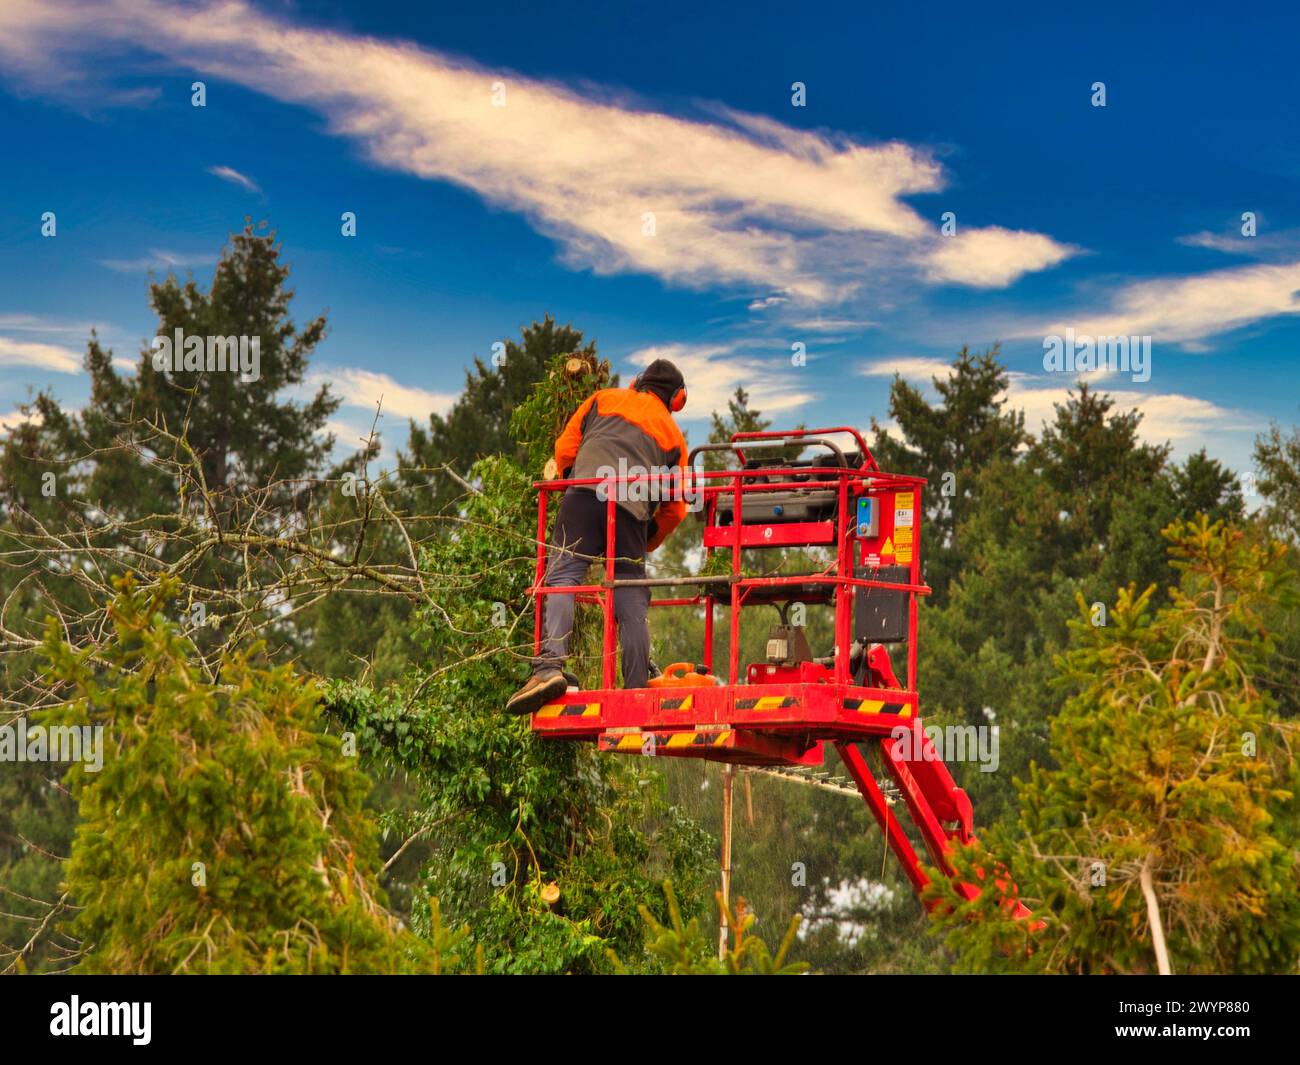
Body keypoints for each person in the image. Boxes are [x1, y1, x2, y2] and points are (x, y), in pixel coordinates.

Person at [506, 359, 689, 714]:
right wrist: (645, 538)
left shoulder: (601, 399)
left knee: (562, 578)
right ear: (676, 399)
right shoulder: (673, 435)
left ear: (637, 381)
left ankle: (548, 669)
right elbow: (676, 509)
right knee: (630, 595)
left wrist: (576, 486)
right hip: (631, 513)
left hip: (584, 494)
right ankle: (636, 686)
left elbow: (564, 451)